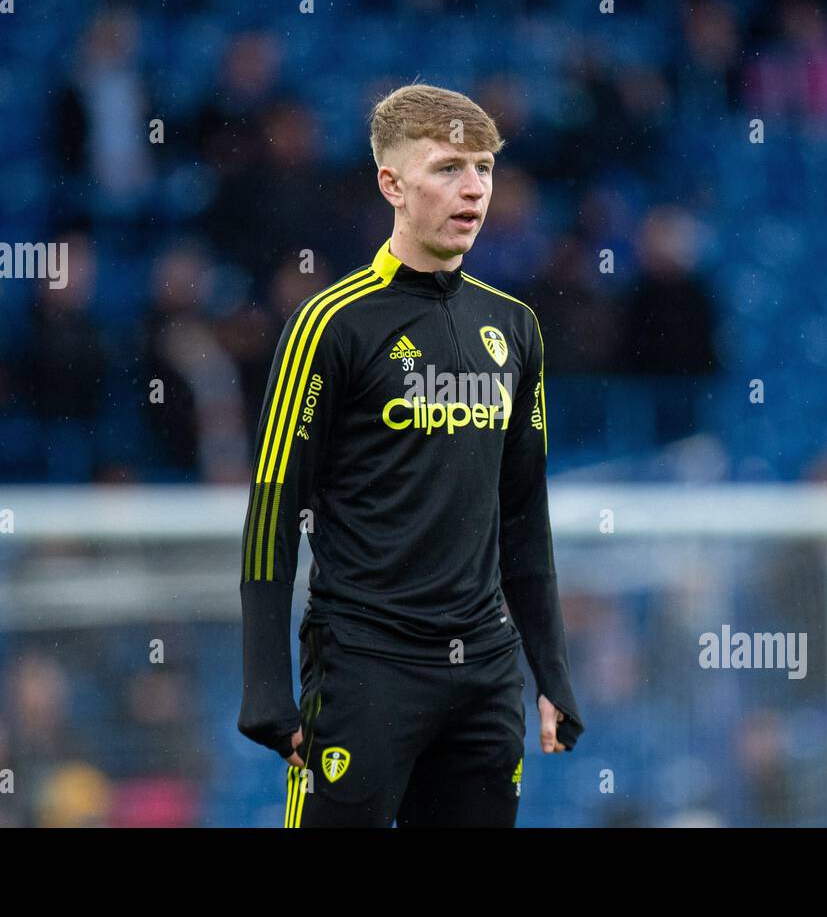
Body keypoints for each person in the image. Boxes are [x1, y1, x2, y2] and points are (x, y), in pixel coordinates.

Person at [236, 84, 584, 827]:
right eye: (449, 168)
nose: (475, 189)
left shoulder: (515, 328)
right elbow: (272, 515)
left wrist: (550, 670)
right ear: (391, 183)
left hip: (485, 674)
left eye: (485, 168)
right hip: (365, 666)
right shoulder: (328, 325)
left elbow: (524, 513)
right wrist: (266, 684)